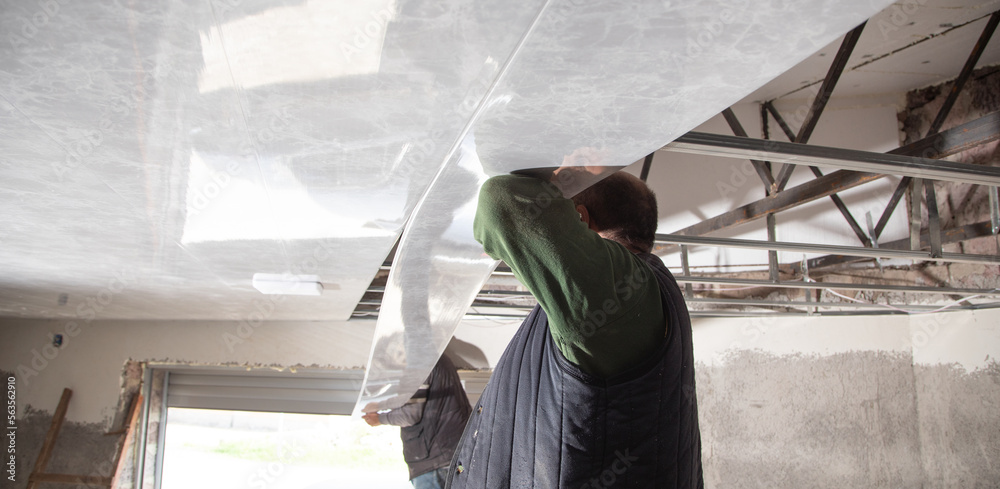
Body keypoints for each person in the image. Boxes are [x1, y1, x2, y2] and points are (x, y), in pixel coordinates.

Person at [446, 168, 703, 488]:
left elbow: (503, 201)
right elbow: (506, 208)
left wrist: (542, 177)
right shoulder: (626, 292)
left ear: (580, 218)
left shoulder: (621, 292)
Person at [364, 354, 472, 489]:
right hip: (453, 454)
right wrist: (379, 406)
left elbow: (410, 414)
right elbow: (407, 400)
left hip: (433, 462)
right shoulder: (441, 359)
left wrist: (380, 419)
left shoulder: (418, 365)